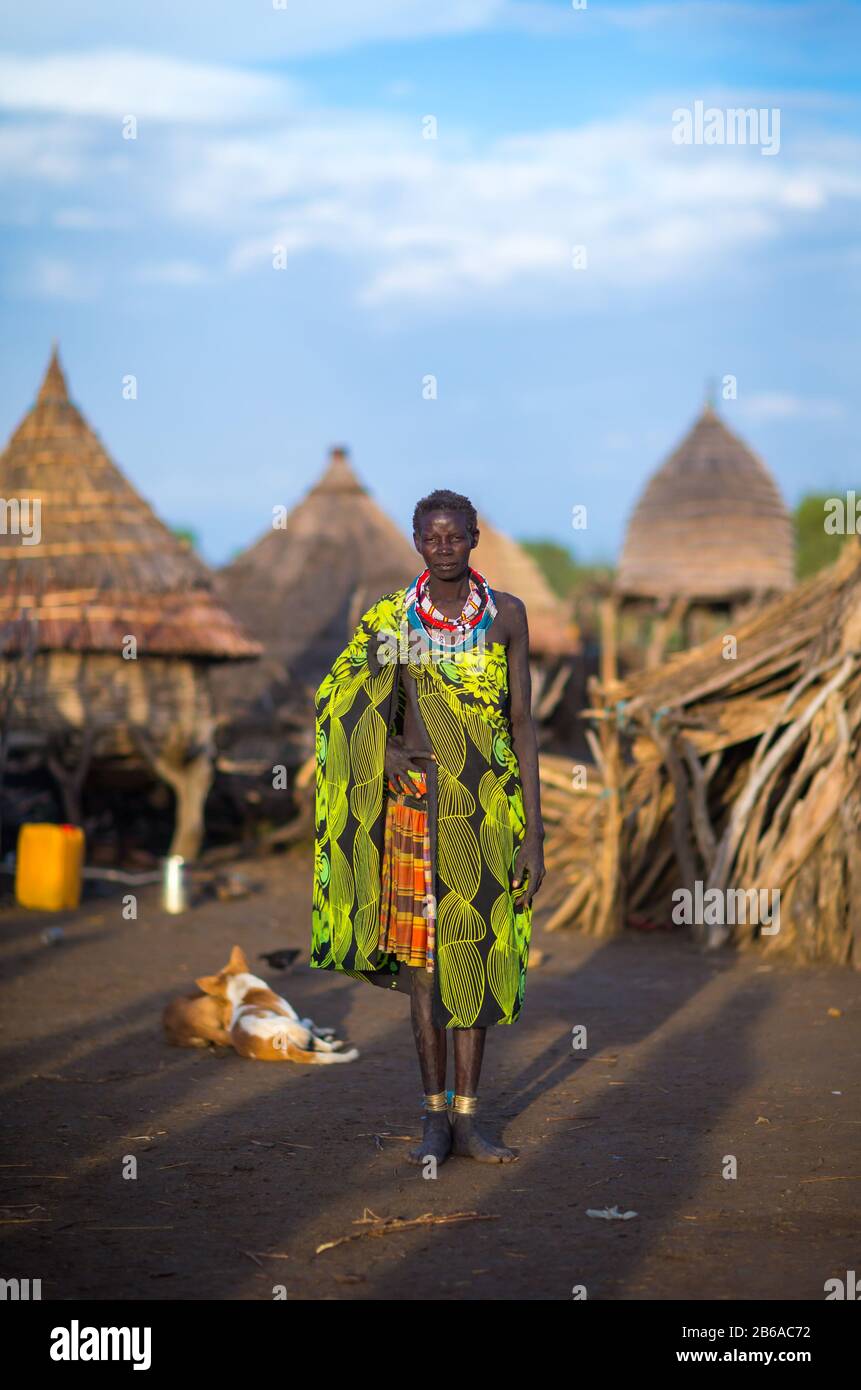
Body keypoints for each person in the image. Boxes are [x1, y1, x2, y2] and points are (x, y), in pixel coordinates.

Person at [311, 488, 545, 1165]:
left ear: (474, 537)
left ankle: (469, 1120)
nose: (443, 547)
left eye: (454, 536)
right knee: (421, 968)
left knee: (474, 954)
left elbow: (523, 724)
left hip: (487, 809)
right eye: (430, 537)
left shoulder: (506, 616)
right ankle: (432, 1118)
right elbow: (341, 701)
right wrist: (379, 749)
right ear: (417, 540)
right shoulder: (392, 620)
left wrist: (535, 833)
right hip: (415, 809)